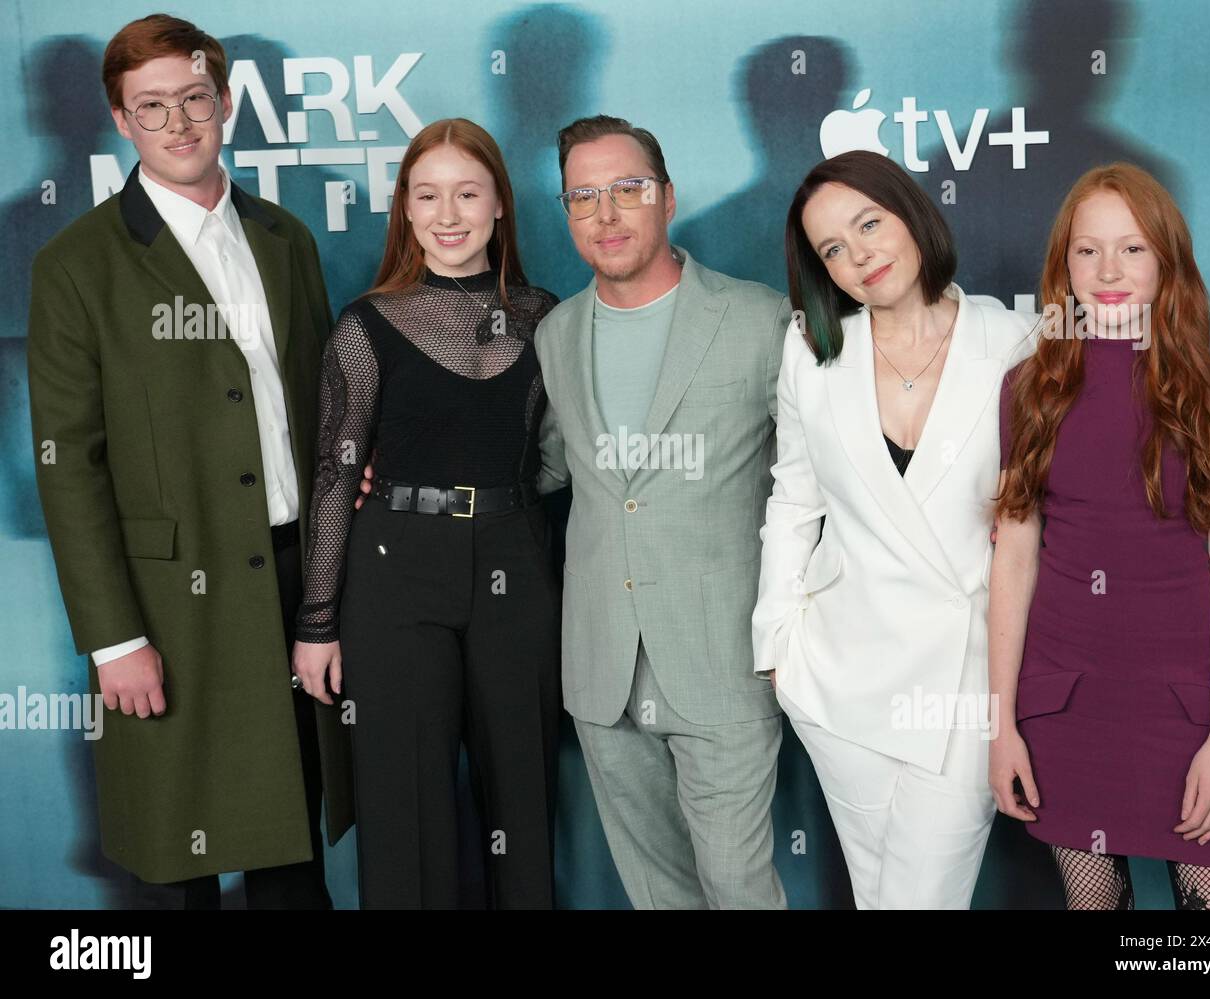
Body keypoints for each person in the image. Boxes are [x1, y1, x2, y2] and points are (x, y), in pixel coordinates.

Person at [751, 151, 1210, 909]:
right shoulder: (832, 351)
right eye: (832, 246)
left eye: (869, 223)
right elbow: (795, 499)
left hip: (1040, 690)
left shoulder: (1017, 342)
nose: (857, 252)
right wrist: (778, 650)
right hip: (875, 683)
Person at [27, 14, 352, 908]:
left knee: (293, 852)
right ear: (121, 122)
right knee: (182, 866)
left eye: (194, 99)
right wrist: (115, 638)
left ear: (227, 104)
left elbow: (321, 410)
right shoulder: (76, 265)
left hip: (294, 581)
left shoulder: (287, 238)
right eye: (152, 106)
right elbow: (69, 468)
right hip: (169, 605)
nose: (179, 124)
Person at [292, 119, 562, 909]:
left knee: (525, 799)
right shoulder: (365, 324)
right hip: (394, 574)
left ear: (501, 205)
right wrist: (316, 622)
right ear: (405, 211)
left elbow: (562, 455)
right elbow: (335, 477)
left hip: (518, 561)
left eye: (468, 192)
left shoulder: (550, 318)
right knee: (403, 807)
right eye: (428, 194)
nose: (449, 213)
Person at [532, 115, 789, 908]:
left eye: (627, 190)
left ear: (668, 198)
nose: (606, 214)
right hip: (603, 662)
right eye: (584, 196)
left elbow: (816, 483)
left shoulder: (760, 318)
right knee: (657, 892)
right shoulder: (556, 332)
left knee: (737, 885)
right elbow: (548, 469)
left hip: (723, 662)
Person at [988, 163, 1210, 909]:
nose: (1108, 271)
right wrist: (1001, 723)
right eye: (1087, 250)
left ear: (1166, 260)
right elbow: (1012, 563)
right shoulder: (1028, 390)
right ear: (1063, 264)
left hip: (1188, 713)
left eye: (1133, 249)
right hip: (1067, 710)